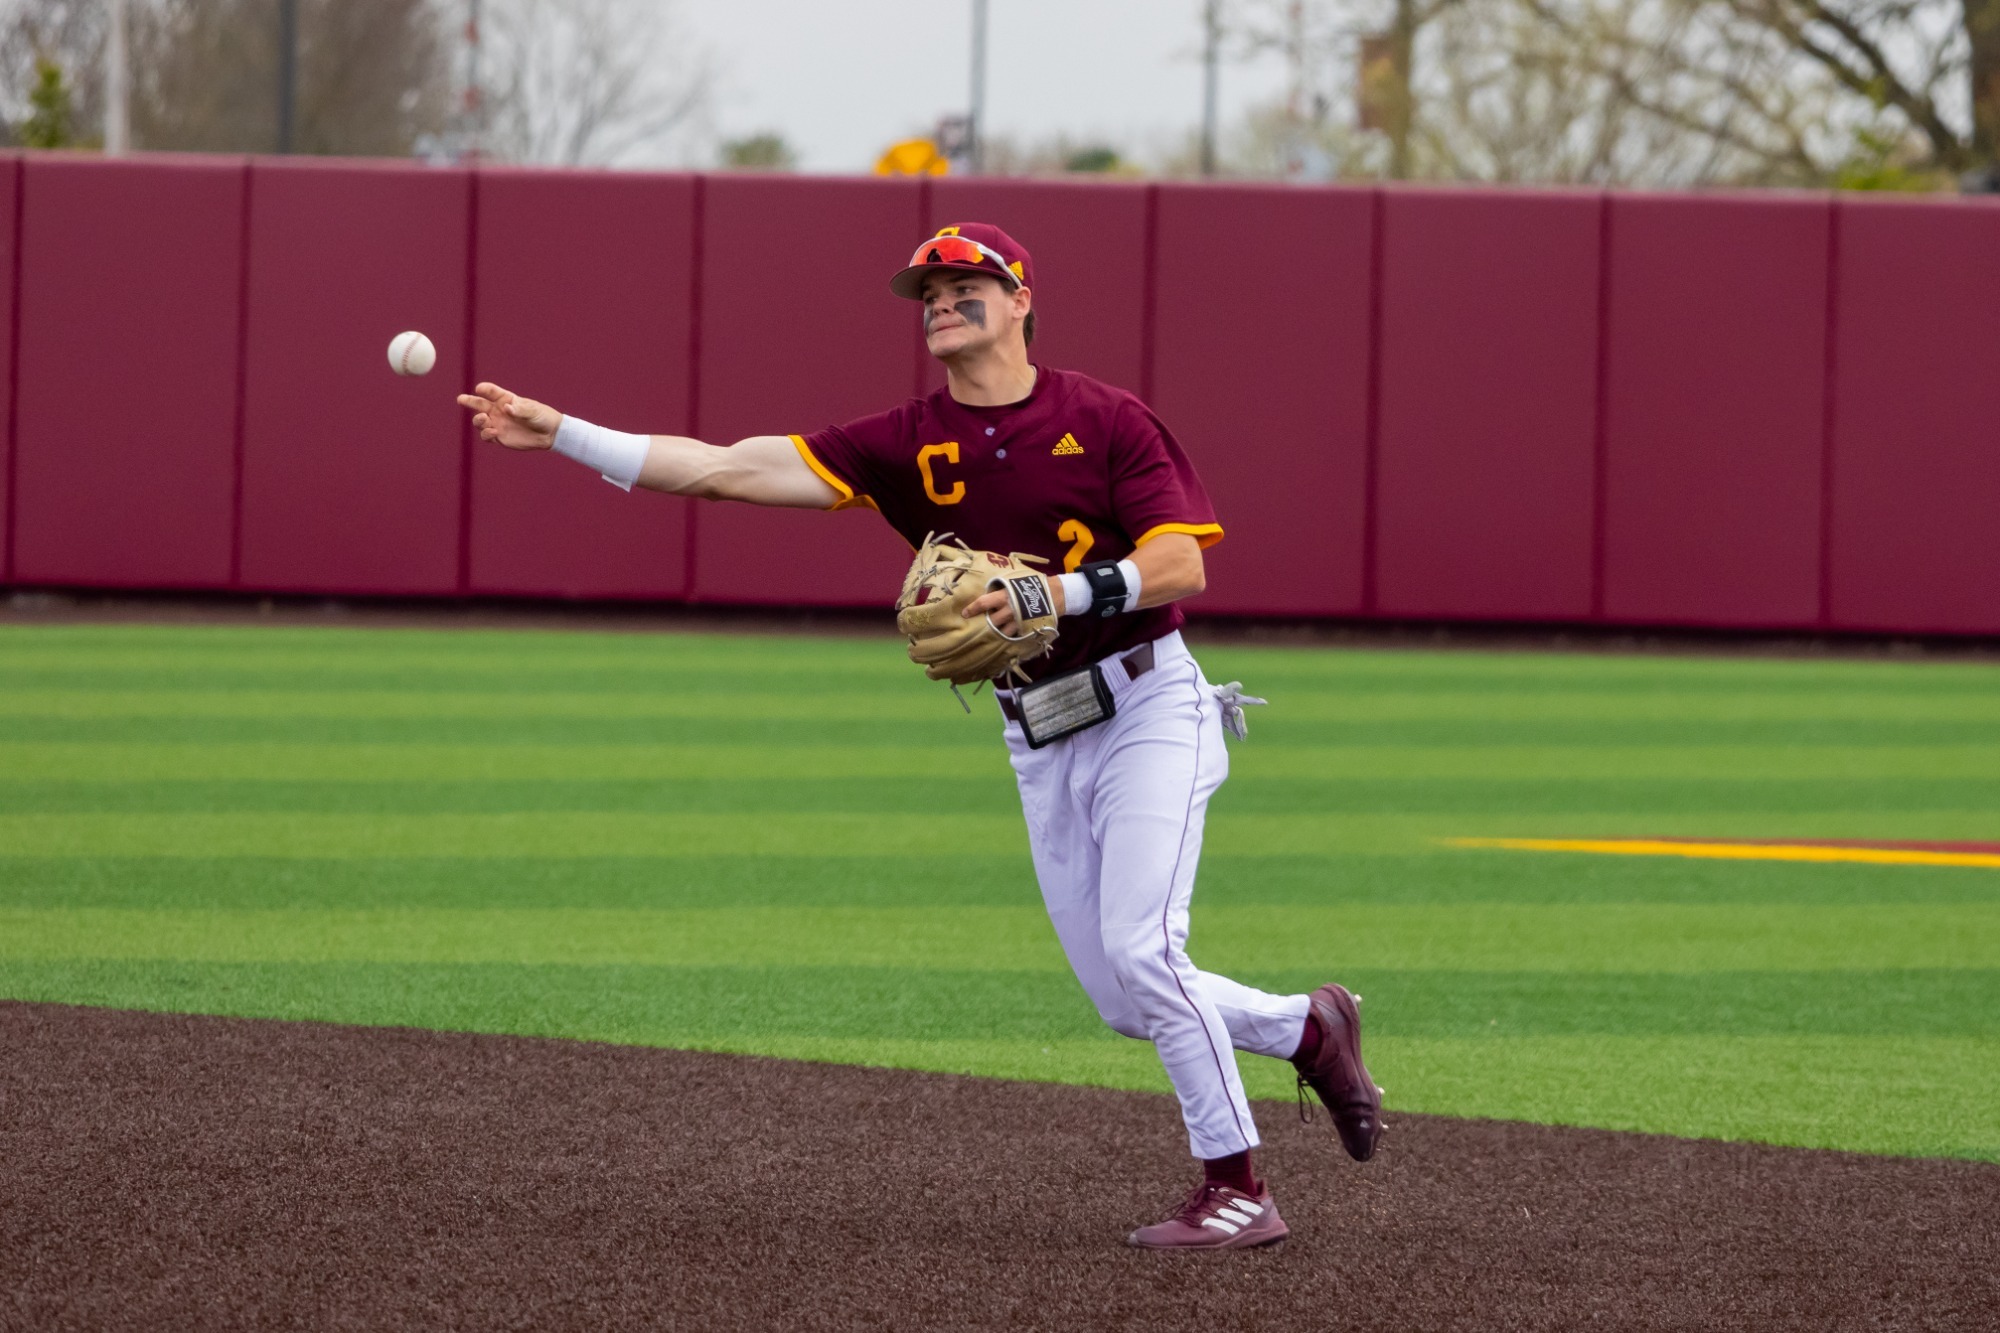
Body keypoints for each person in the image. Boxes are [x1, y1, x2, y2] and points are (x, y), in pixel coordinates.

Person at [457, 222, 1382, 1250]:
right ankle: (1307, 1027)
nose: (940, 301)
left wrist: (1056, 591)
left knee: (1143, 949)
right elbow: (724, 467)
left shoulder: (1105, 419)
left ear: (1020, 298)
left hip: (1149, 707)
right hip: (1040, 732)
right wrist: (564, 433)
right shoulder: (907, 442)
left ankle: (1238, 1187)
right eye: (928, 292)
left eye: (963, 284)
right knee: (1128, 999)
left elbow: (1181, 564)